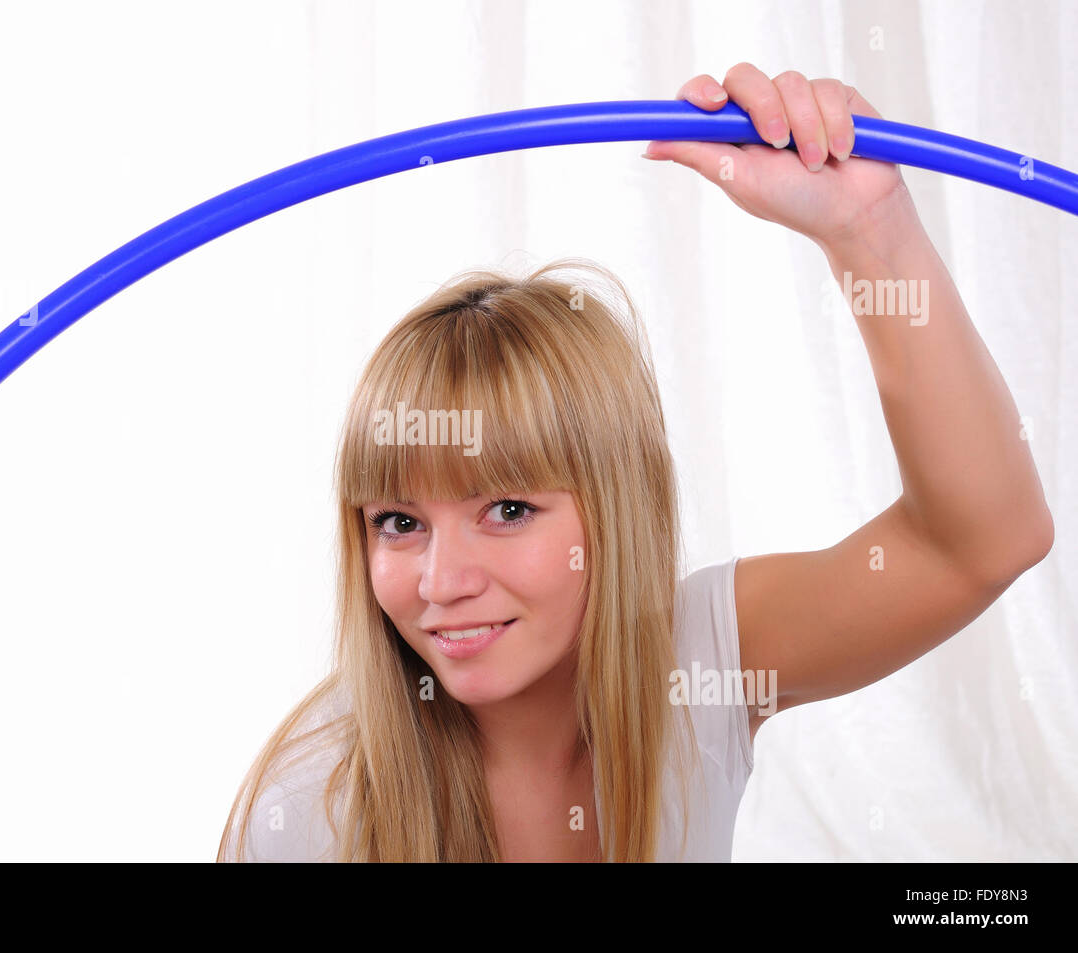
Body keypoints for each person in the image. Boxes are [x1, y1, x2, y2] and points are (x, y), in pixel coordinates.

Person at [217, 63, 1053, 862]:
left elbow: (984, 538)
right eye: (398, 522)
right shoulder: (311, 803)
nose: (441, 582)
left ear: (616, 506)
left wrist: (870, 229)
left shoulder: (701, 663)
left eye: (507, 509)